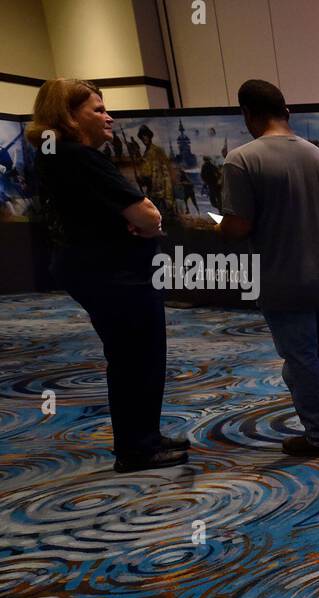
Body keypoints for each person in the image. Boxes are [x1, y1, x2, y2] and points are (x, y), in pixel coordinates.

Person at [28, 78, 188, 472]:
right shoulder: (78, 157)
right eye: (97, 109)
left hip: (94, 270)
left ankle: (142, 437)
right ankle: (138, 448)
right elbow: (148, 215)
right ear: (68, 115)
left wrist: (138, 218)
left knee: (128, 357)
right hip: (117, 275)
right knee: (139, 357)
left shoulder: (53, 156)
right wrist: (144, 221)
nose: (109, 117)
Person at [219, 79, 319, 457]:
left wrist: (219, 226)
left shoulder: (241, 160)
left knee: (301, 359)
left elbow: (237, 226)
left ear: (247, 114)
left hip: (282, 280)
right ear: (287, 112)